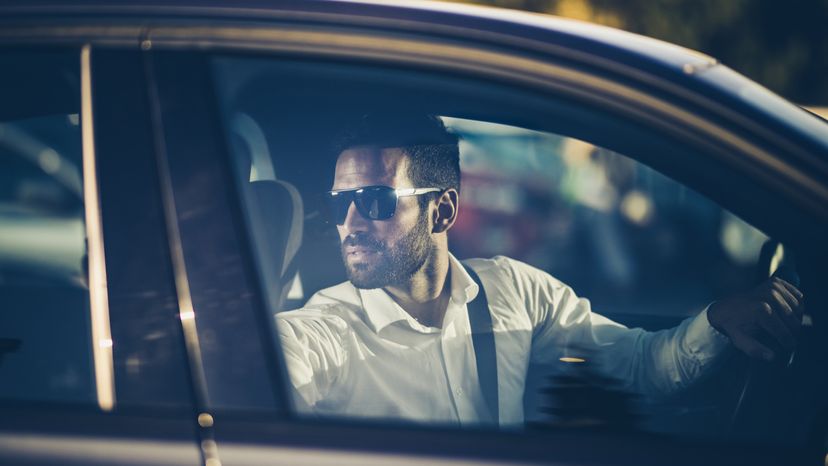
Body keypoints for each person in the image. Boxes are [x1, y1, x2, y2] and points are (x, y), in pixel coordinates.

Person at [276, 114, 804, 427]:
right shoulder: (325, 332)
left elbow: (643, 368)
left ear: (443, 210)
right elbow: (265, 373)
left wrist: (716, 320)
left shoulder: (516, 291)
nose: (348, 223)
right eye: (339, 202)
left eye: (373, 201)